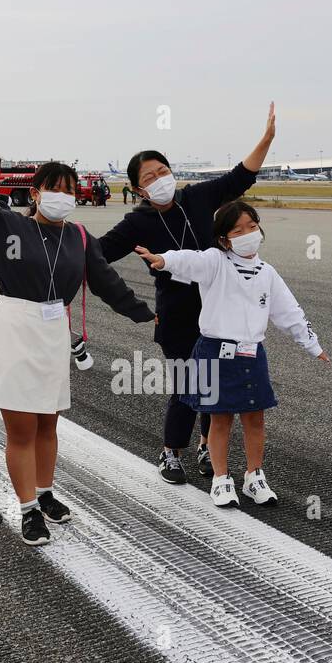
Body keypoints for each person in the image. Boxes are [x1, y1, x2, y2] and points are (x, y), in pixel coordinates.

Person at [0, 135, 155, 546]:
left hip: (54, 329)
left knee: (48, 424)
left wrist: (145, 313)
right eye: (55, 188)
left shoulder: (81, 238)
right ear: (35, 193)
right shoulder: (7, 225)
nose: (64, 196)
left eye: (70, 190)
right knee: (21, 429)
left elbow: (107, 282)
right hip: (15, 325)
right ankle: (27, 508)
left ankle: (45, 492)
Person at [99, 102, 275, 486]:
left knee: (215, 385)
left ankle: (205, 446)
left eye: (163, 170)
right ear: (137, 188)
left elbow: (239, 178)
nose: (160, 178)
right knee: (187, 386)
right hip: (177, 316)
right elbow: (97, 254)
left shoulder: (197, 198)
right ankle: (170, 452)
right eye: (150, 175)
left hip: (217, 311)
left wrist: (265, 140)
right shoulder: (136, 223)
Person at [134, 200, 327, 508]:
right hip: (215, 351)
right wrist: (163, 260)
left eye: (252, 227)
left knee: (255, 419)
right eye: (238, 230)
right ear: (224, 239)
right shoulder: (215, 261)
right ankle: (221, 479)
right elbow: (190, 261)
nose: (248, 234)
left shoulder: (267, 272)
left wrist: (312, 344)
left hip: (252, 354)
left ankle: (254, 476)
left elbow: (288, 311)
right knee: (220, 419)